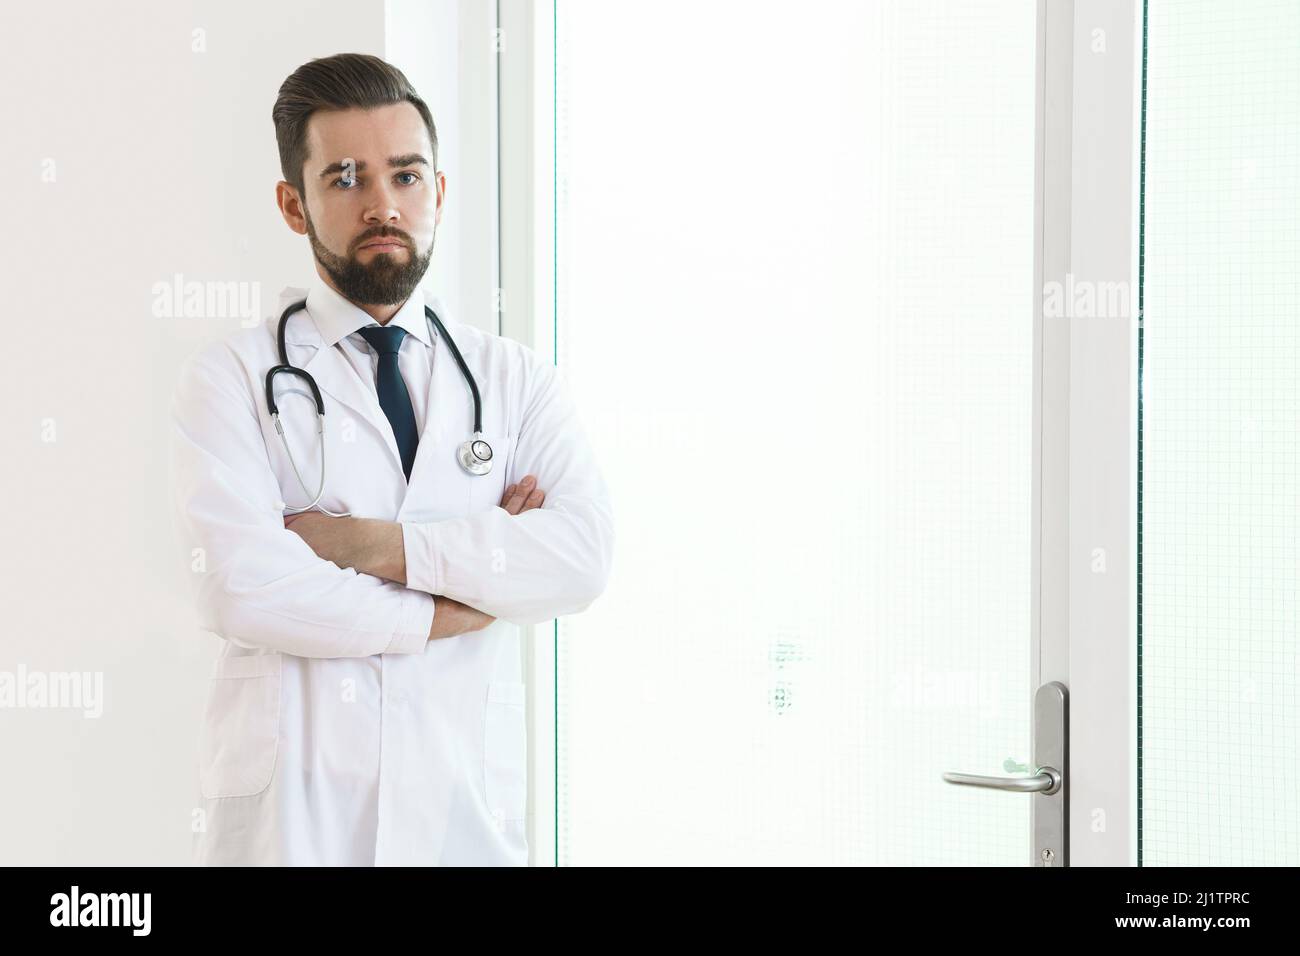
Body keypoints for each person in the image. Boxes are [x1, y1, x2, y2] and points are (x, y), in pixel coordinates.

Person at [169, 52, 614, 866]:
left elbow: (579, 561)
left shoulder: (515, 380)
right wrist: (464, 599)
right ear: (293, 205)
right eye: (344, 178)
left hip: (460, 823)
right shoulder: (231, 378)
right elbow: (241, 585)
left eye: (407, 176)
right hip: (295, 834)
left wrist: (369, 547)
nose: (383, 204)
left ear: (438, 191)